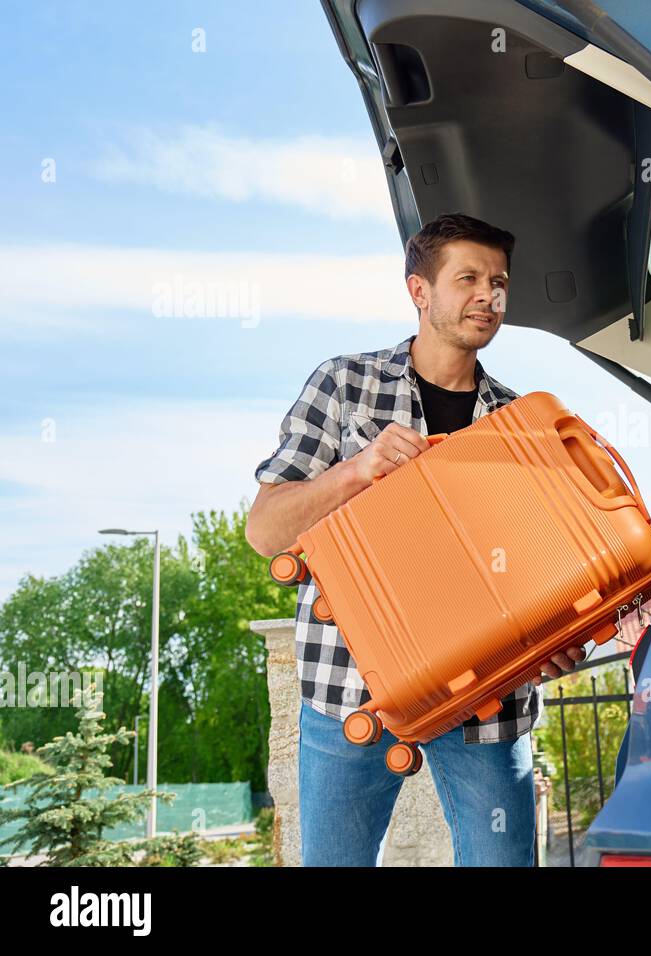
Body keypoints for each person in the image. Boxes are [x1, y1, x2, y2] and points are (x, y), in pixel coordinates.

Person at [245, 212, 588, 866]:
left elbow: (537, 571)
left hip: (489, 703)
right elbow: (267, 530)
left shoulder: (523, 426)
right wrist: (357, 470)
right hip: (351, 687)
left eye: (498, 281)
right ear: (419, 291)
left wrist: (554, 638)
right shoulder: (344, 386)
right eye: (468, 278)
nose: (488, 295)